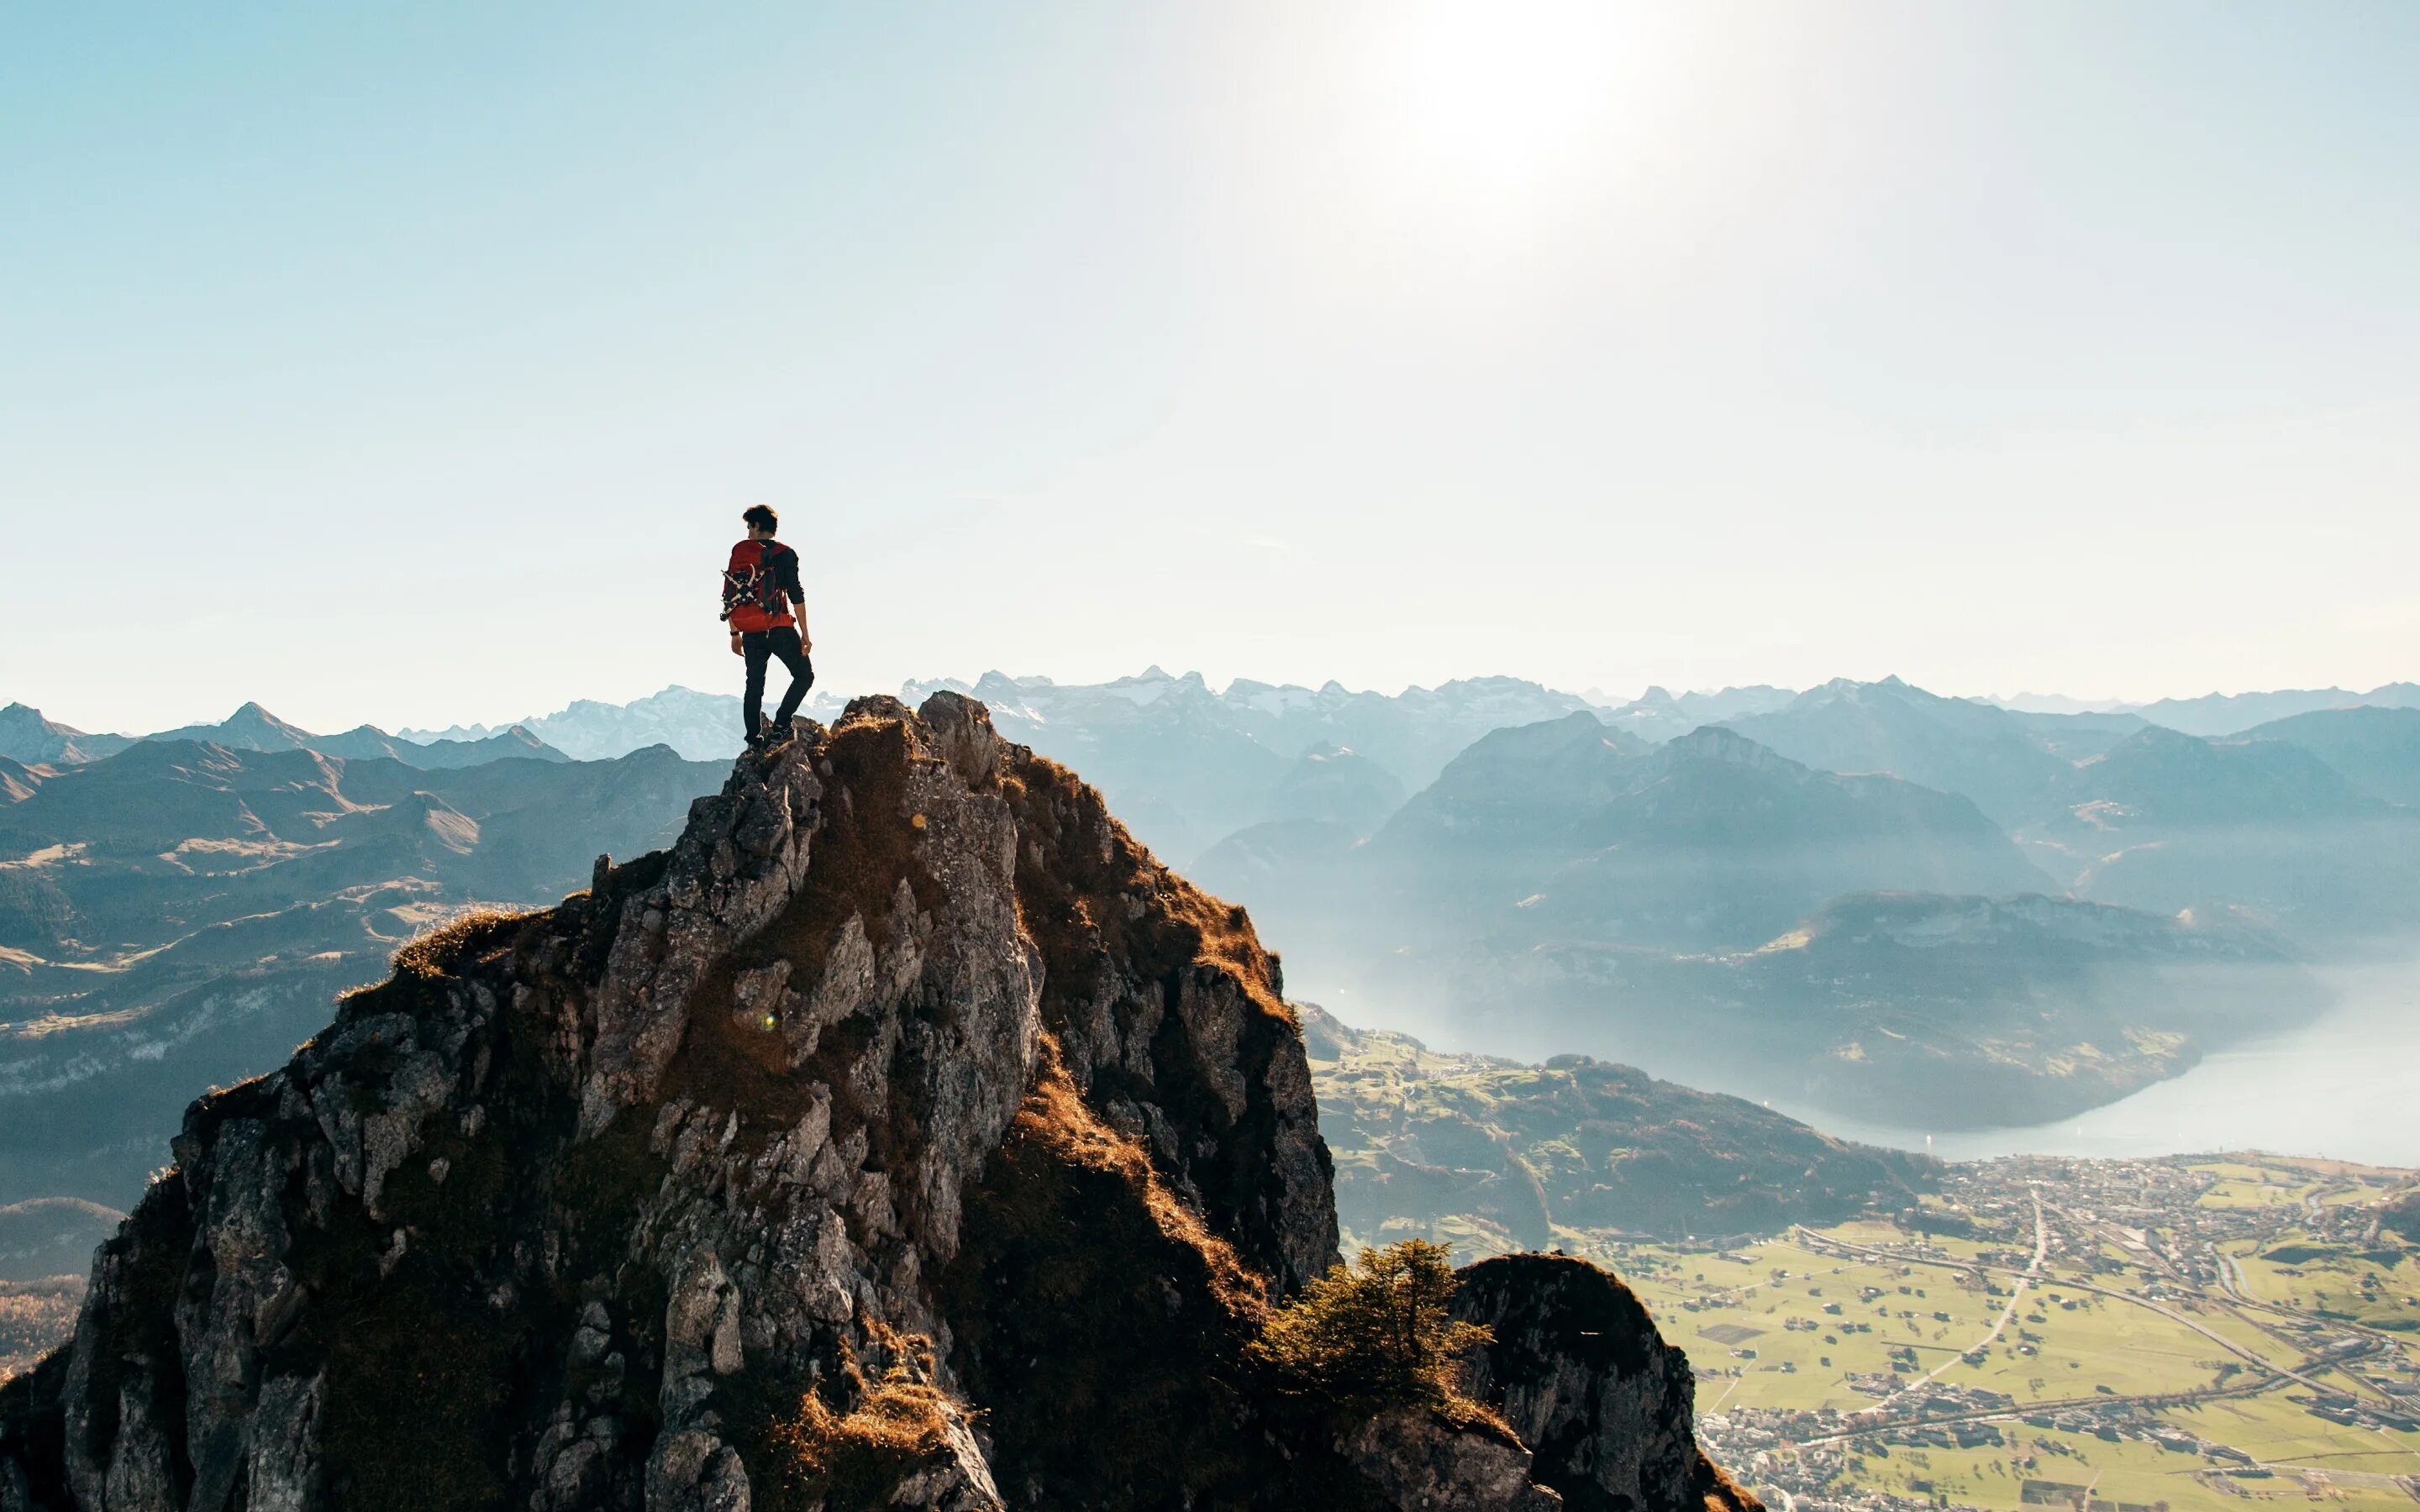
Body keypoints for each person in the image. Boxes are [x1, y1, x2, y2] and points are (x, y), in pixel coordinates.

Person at [721, 504, 814, 747]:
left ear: (758, 525)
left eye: (749, 527)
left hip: (751, 631)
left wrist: (735, 633)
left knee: (754, 685)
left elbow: (732, 594)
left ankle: (754, 738)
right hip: (779, 628)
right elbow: (796, 594)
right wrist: (805, 633)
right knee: (804, 675)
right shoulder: (785, 554)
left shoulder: (741, 556)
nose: (748, 533)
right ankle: (781, 725)